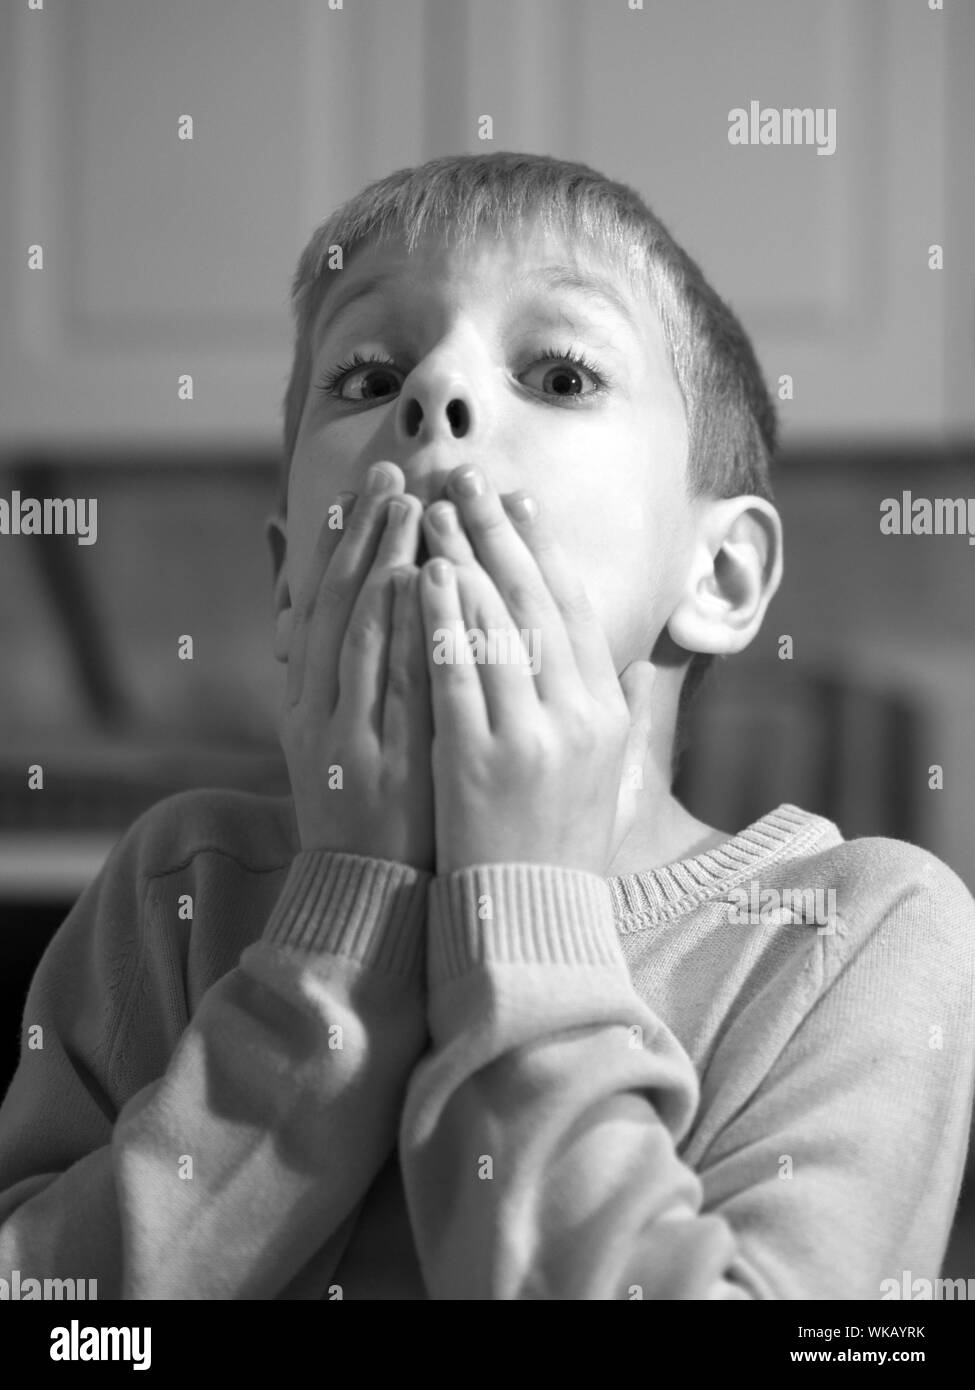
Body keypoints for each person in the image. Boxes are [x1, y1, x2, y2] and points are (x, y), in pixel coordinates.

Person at [1, 151, 972, 1300]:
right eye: (368, 376)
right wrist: (346, 922)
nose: (435, 394)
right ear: (287, 580)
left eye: (561, 375)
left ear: (719, 574)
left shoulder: (859, 935)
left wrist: (518, 905)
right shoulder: (176, 887)